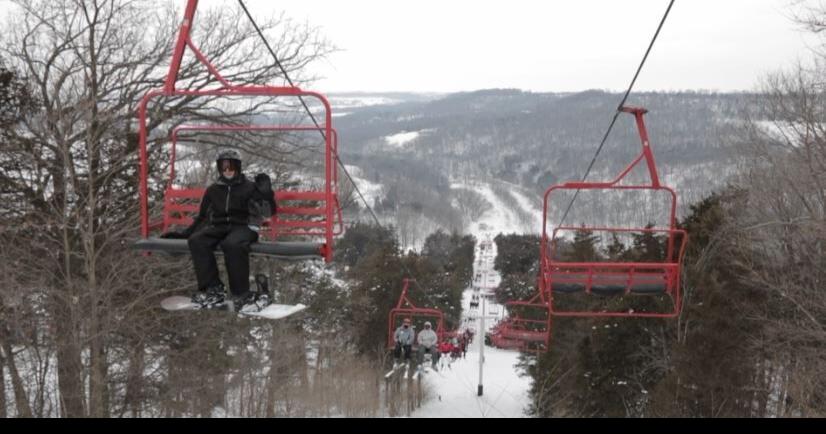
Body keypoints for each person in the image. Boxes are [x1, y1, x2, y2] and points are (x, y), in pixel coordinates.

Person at [161, 149, 276, 312]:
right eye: (224, 167)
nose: (227, 170)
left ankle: (241, 292)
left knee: (232, 245)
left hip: (244, 226)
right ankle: (212, 289)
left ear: (238, 167)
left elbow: (268, 212)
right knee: (197, 241)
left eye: (231, 166)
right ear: (219, 168)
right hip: (219, 227)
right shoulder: (213, 190)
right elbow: (202, 217)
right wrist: (185, 234)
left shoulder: (250, 188)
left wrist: (266, 194)